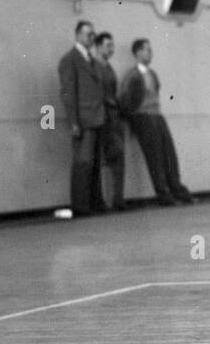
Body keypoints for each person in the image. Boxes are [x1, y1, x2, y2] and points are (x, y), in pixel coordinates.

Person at [120, 38, 195, 205]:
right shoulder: (132, 76)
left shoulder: (152, 74)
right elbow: (126, 100)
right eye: (147, 50)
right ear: (138, 52)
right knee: (155, 157)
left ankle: (177, 190)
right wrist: (135, 119)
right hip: (144, 117)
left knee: (169, 154)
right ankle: (164, 194)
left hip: (157, 115)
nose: (150, 53)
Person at [57, 20, 107, 216]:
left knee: (94, 164)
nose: (91, 37)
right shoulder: (70, 59)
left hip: (96, 118)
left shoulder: (91, 60)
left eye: (93, 34)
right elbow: (68, 93)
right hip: (84, 120)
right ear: (77, 35)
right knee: (83, 163)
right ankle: (81, 205)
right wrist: (74, 122)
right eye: (88, 34)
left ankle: (95, 202)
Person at [92, 31, 126, 212]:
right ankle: (102, 202)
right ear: (97, 47)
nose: (111, 49)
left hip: (113, 118)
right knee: (100, 161)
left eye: (112, 46)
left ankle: (117, 200)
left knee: (118, 158)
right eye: (108, 46)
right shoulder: (94, 68)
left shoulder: (109, 67)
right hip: (102, 118)